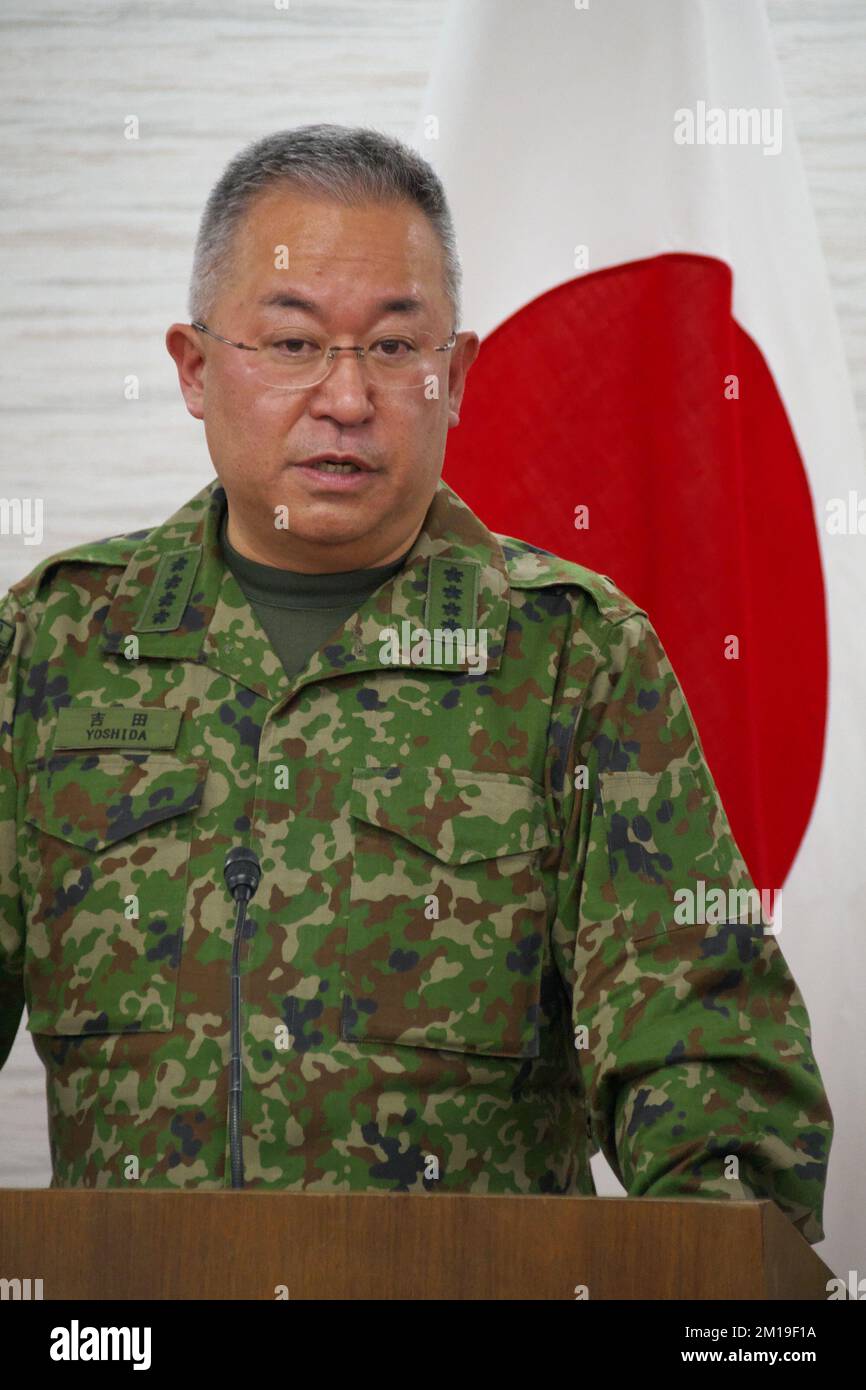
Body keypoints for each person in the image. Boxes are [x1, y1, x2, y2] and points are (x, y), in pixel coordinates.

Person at [0, 125, 832, 1243]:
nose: (345, 398)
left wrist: (721, 1290)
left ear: (458, 376)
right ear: (196, 369)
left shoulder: (571, 658)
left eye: (395, 350)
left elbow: (709, 1067)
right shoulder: (52, 645)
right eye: (291, 344)